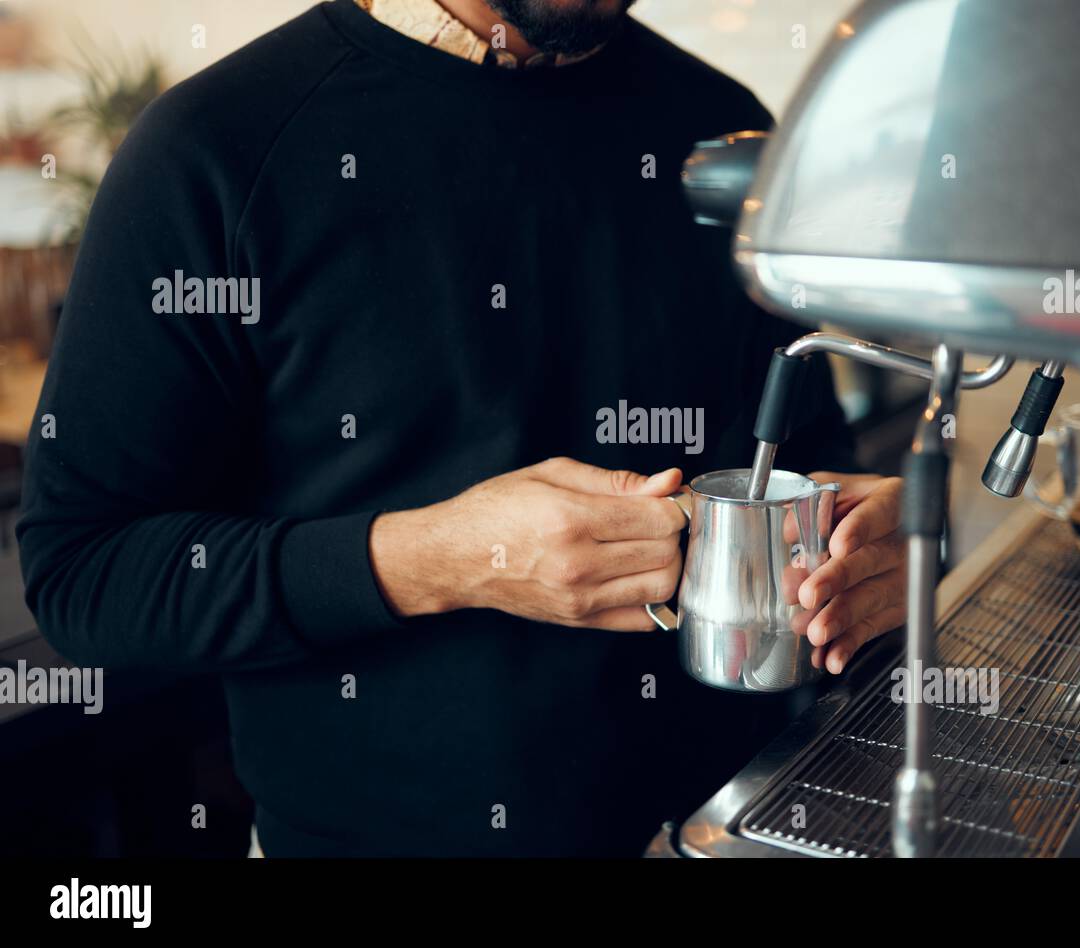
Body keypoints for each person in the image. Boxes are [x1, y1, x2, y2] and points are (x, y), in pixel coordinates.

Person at [17, 0, 906, 856]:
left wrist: (864, 548)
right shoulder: (216, 148)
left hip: (722, 833)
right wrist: (439, 559)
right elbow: (84, 573)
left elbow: (802, 456)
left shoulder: (724, 134)